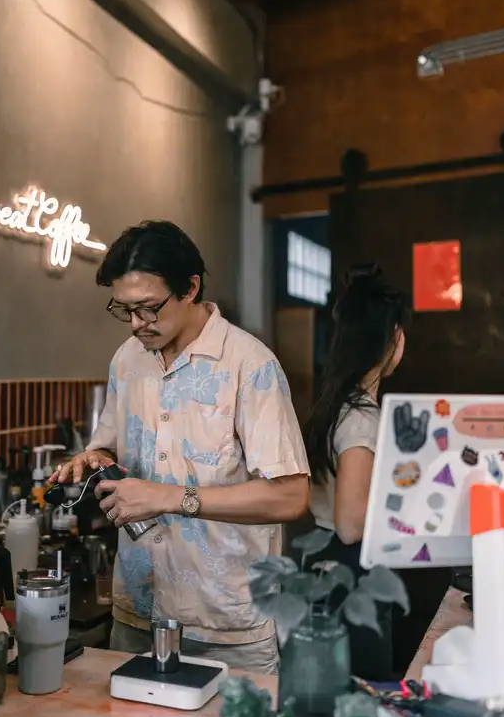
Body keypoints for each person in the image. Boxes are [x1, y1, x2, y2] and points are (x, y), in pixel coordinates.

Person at [51, 220, 310, 673]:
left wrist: (171, 497)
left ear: (190, 288)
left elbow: (290, 496)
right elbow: (110, 447)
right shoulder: (127, 360)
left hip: (224, 624)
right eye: (125, 309)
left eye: (149, 308)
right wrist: (97, 458)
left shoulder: (249, 365)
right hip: (137, 611)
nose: (137, 324)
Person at [303, 264, 409, 680]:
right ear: (395, 338)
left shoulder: (334, 406)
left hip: (322, 561)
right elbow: (350, 524)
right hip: (352, 571)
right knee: (361, 695)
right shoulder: (362, 417)